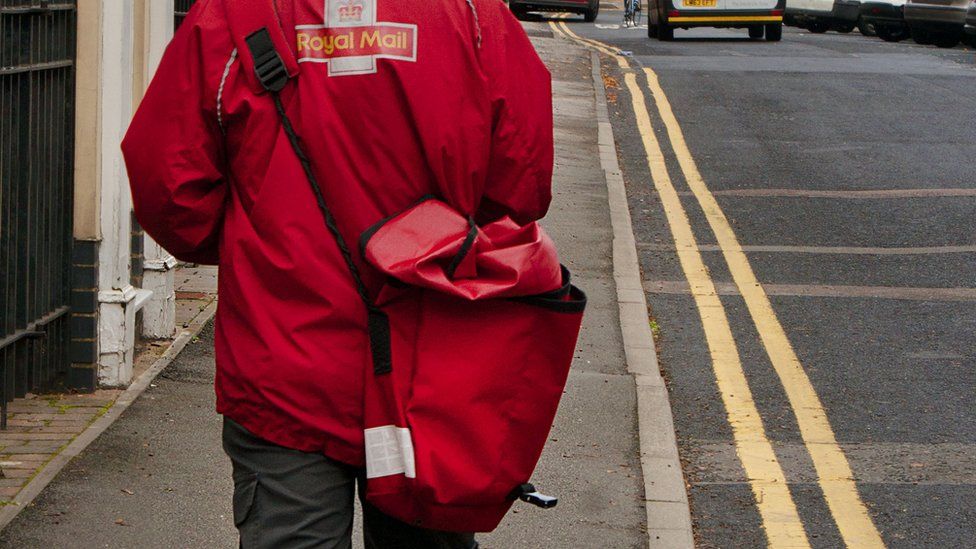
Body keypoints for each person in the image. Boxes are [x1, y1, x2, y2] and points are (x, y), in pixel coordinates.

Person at [122, 0, 554, 547]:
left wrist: (254, 244)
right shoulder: (473, 15)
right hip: (432, 366)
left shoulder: (230, 14)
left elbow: (169, 186)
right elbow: (522, 184)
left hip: (283, 364)